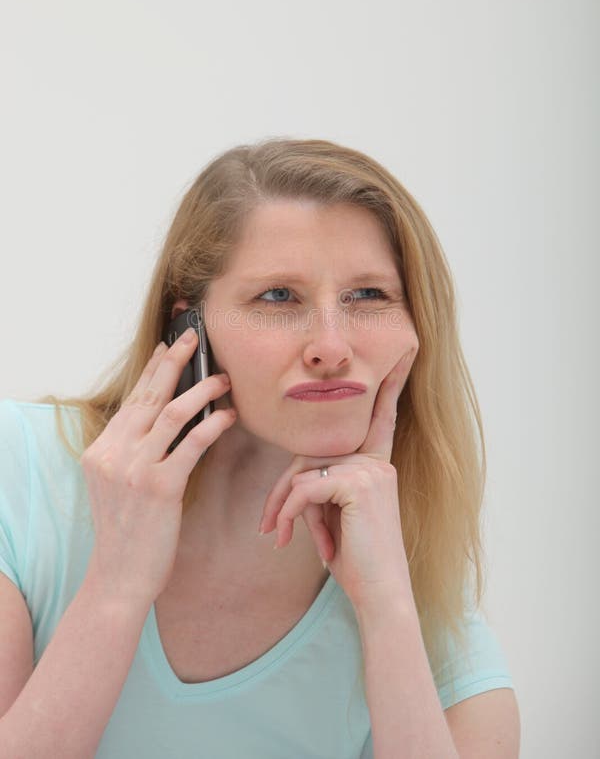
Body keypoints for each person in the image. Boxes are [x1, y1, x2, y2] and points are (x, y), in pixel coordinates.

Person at [0, 137, 520, 757]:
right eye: (278, 297)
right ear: (187, 328)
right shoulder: (22, 473)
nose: (331, 346)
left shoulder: (413, 582)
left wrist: (384, 606)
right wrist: (116, 585)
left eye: (369, 296)